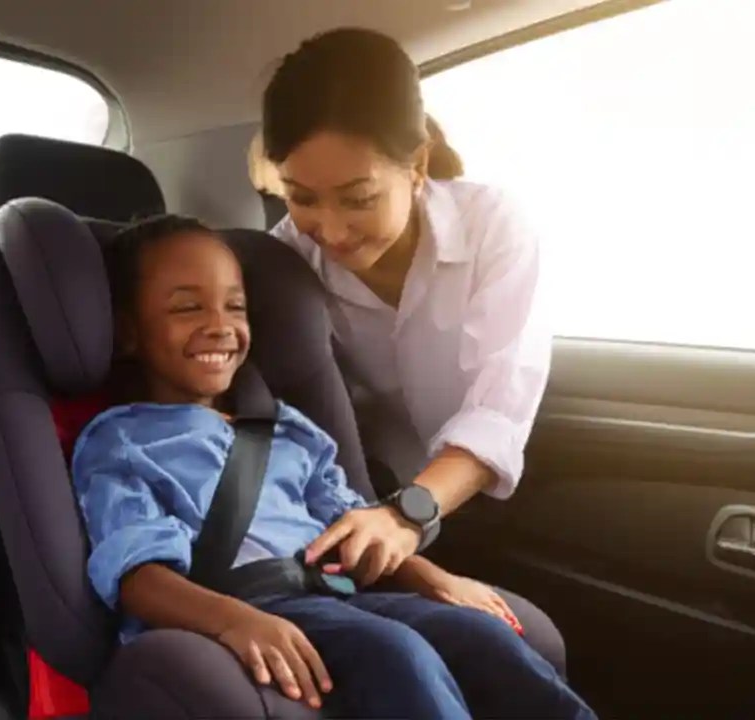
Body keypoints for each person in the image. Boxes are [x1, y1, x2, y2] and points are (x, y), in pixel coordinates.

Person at [72, 214, 595, 719]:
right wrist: (235, 621)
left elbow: (351, 523)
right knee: (396, 651)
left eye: (236, 306)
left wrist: (432, 577)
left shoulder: (286, 430)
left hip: (337, 589)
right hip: (246, 598)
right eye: (187, 308)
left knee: (482, 637)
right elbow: (137, 575)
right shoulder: (121, 441)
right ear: (128, 333)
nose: (220, 326)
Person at [264, 27, 551, 579]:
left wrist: (408, 513)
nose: (331, 229)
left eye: (358, 199)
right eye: (301, 198)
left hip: (472, 495)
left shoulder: (492, 225)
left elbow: (499, 404)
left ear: (417, 165)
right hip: (358, 501)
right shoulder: (284, 260)